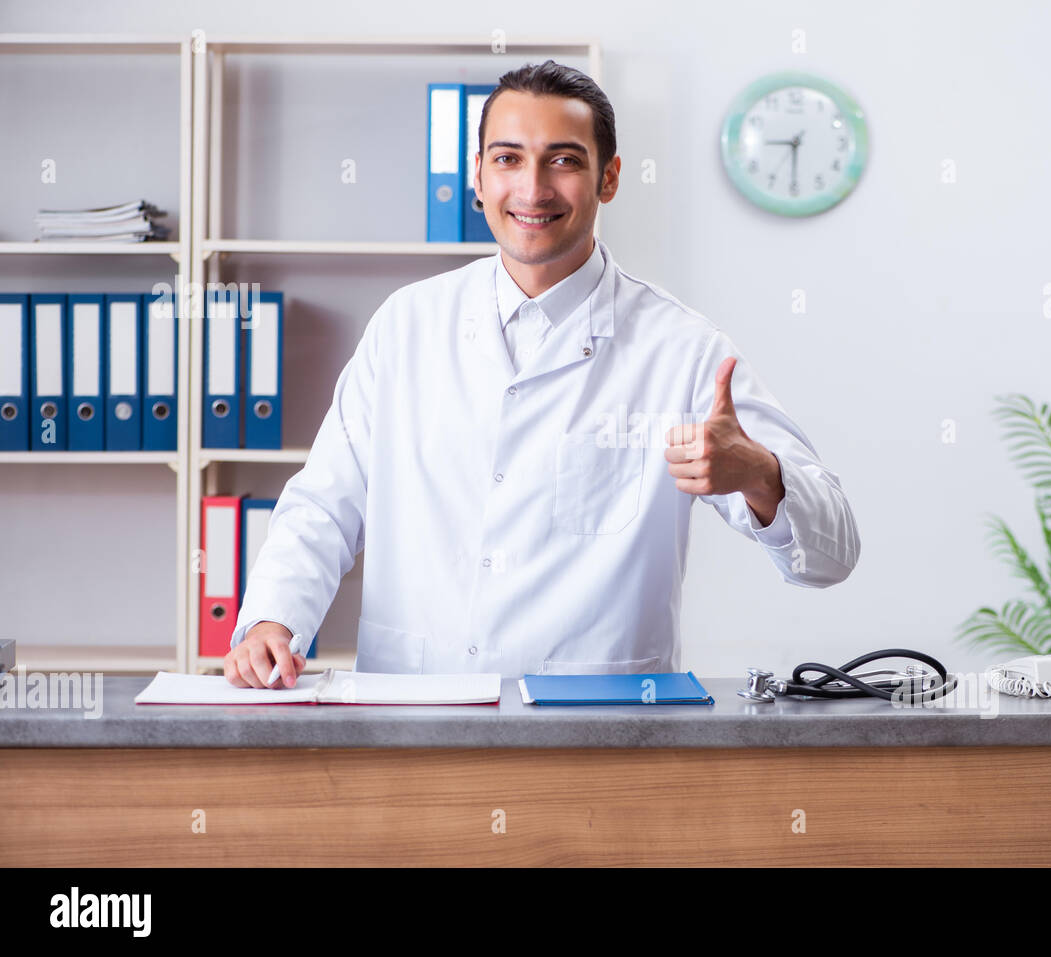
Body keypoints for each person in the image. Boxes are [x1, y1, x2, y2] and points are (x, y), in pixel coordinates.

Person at [225, 60, 860, 689]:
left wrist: (758, 473)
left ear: (608, 178)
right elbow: (323, 506)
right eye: (507, 159)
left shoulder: (683, 349)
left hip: (600, 735)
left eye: (564, 160)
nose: (533, 190)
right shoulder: (406, 325)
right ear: (476, 175)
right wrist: (271, 620)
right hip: (414, 714)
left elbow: (832, 555)